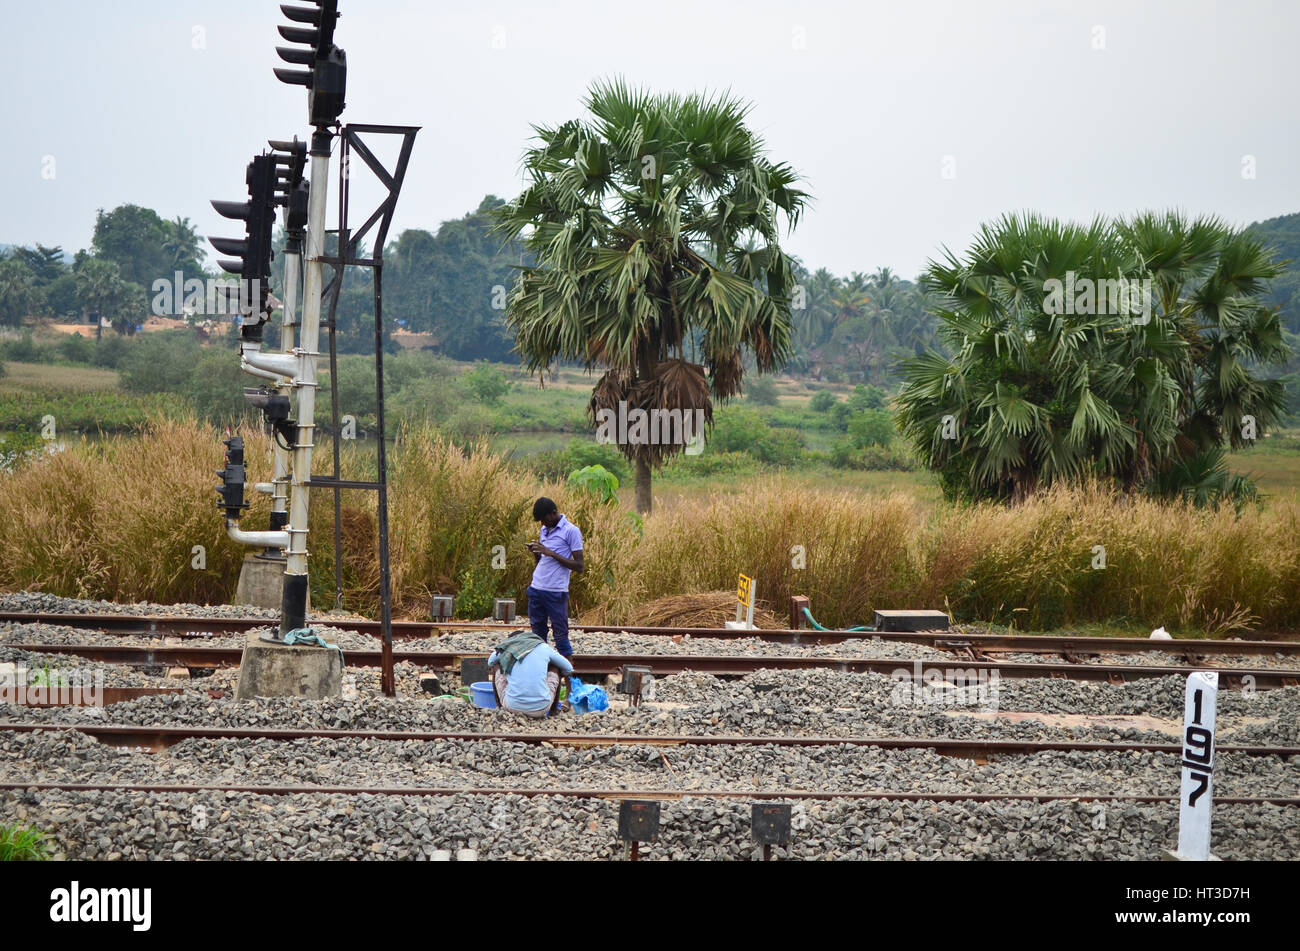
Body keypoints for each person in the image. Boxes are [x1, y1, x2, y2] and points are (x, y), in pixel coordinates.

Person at [525, 497, 583, 660]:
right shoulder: (544, 530)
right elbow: (543, 561)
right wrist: (537, 553)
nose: (542, 523)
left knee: (561, 637)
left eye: (544, 519)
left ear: (553, 513)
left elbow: (579, 566)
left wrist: (550, 552)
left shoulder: (571, 531)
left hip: (556, 592)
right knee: (537, 636)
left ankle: (569, 681)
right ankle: (541, 674)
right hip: (536, 588)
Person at [488, 630, 573, 717]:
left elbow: (490, 662)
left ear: (512, 641)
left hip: (512, 707)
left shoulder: (509, 648)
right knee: (556, 666)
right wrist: (548, 671)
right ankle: (553, 711)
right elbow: (569, 668)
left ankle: (499, 707)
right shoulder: (544, 647)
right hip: (541, 709)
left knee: (496, 665)